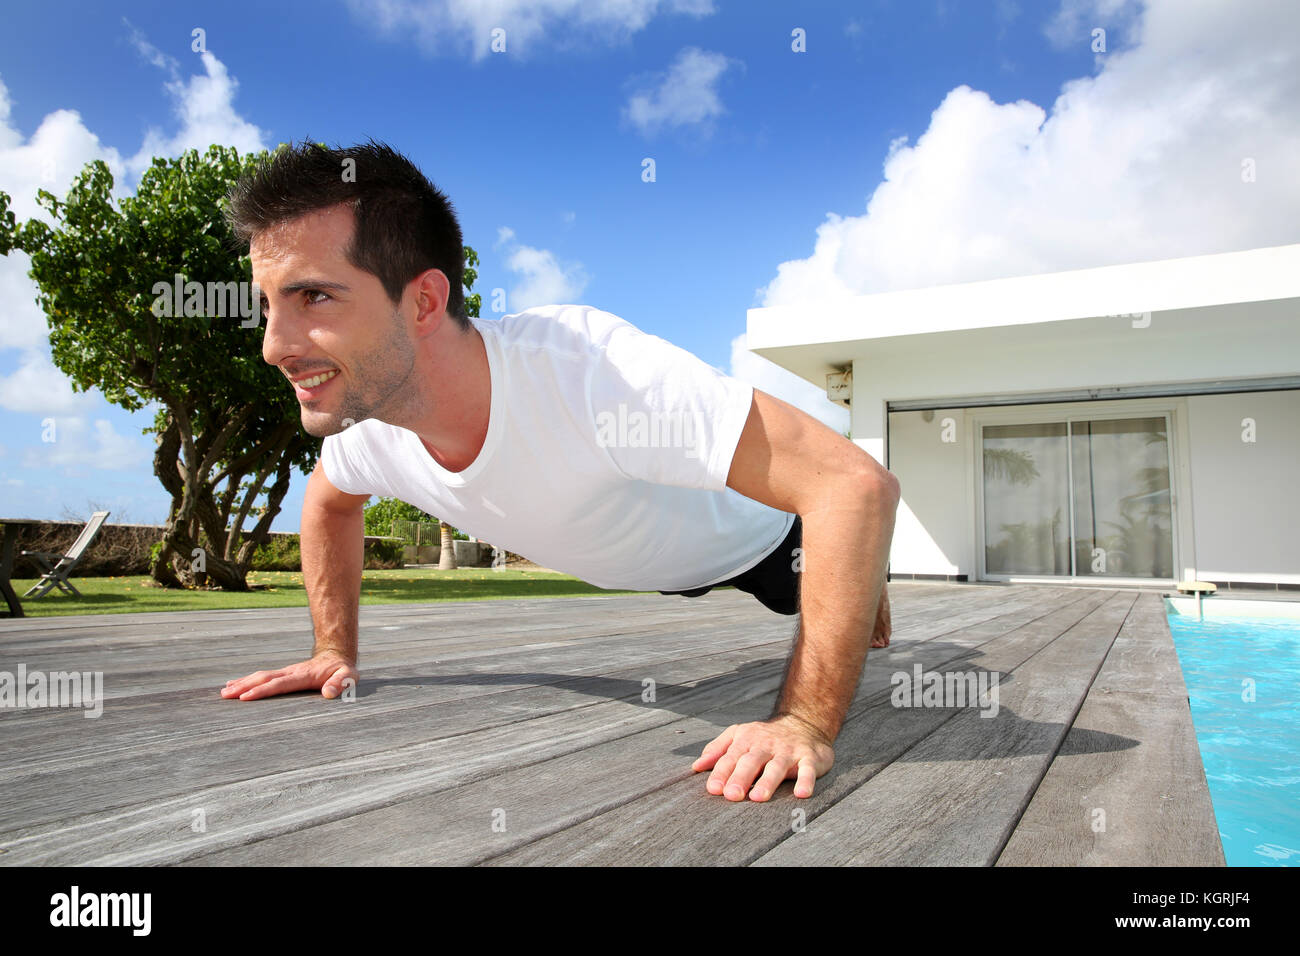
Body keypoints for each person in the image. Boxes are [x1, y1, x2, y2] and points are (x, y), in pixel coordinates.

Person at [218, 140, 899, 803]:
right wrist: (333, 649)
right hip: (645, 559)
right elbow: (330, 504)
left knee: (835, 577)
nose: (275, 346)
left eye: (313, 297)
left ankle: (861, 575)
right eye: (269, 305)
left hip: (760, 545)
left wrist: (804, 723)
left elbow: (853, 484)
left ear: (423, 302)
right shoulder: (368, 428)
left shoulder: (590, 372)